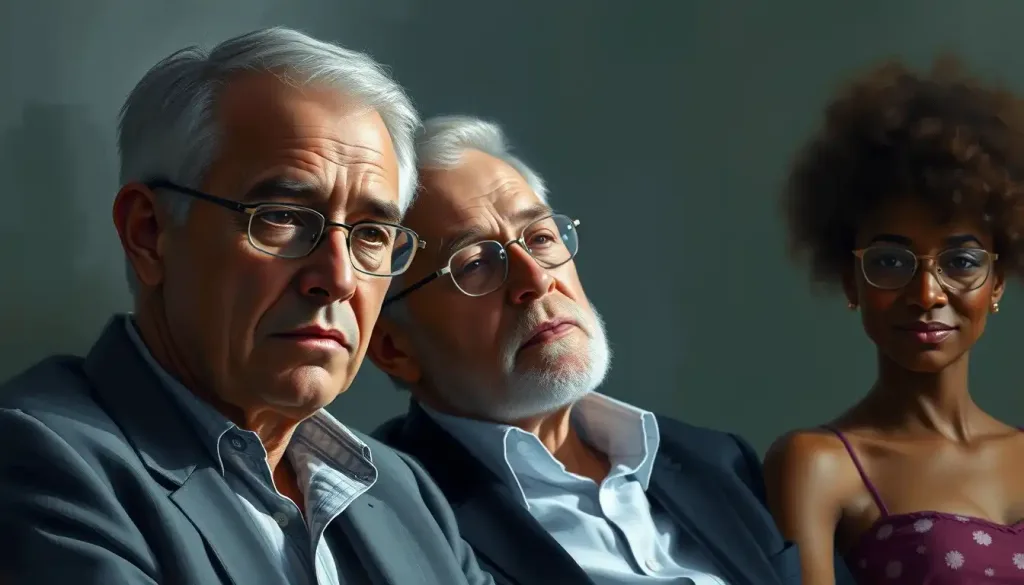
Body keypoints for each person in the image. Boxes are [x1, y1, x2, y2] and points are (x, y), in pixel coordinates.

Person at [0, 28, 495, 585]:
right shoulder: (37, 457)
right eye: (283, 217)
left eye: (372, 234)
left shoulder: (407, 492)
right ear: (149, 232)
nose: (338, 278)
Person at [367, 115, 824, 585]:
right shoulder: (389, 517)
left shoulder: (718, 462)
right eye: (475, 263)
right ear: (392, 347)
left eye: (540, 238)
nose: (537, 278)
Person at [764, 56, 1024, 585]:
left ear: (996, 283)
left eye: (961, 261)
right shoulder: (818, 463)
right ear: (850, 282)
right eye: (889, 262)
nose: (927, 294)